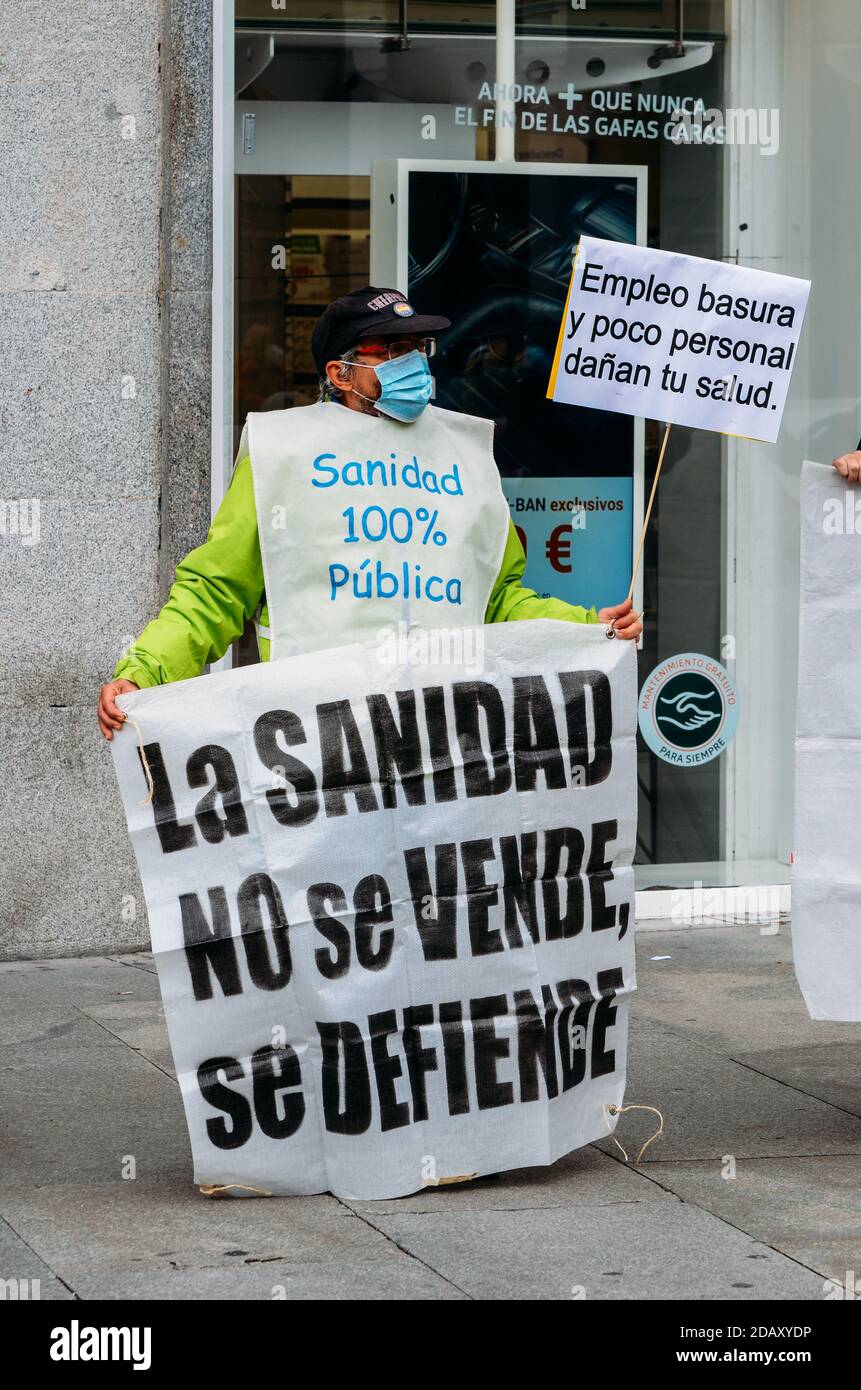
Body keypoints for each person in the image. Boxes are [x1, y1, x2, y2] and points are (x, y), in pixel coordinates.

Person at [98, 285, 642, 739]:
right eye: (389, 349)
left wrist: (585, 627)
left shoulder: (467, 454)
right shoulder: (284, 454)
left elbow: (498, 597)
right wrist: (145, 673)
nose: (412, 360)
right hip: (317, 731)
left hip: (443, 730)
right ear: (339, 373)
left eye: (417, 346)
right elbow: (216, 589)